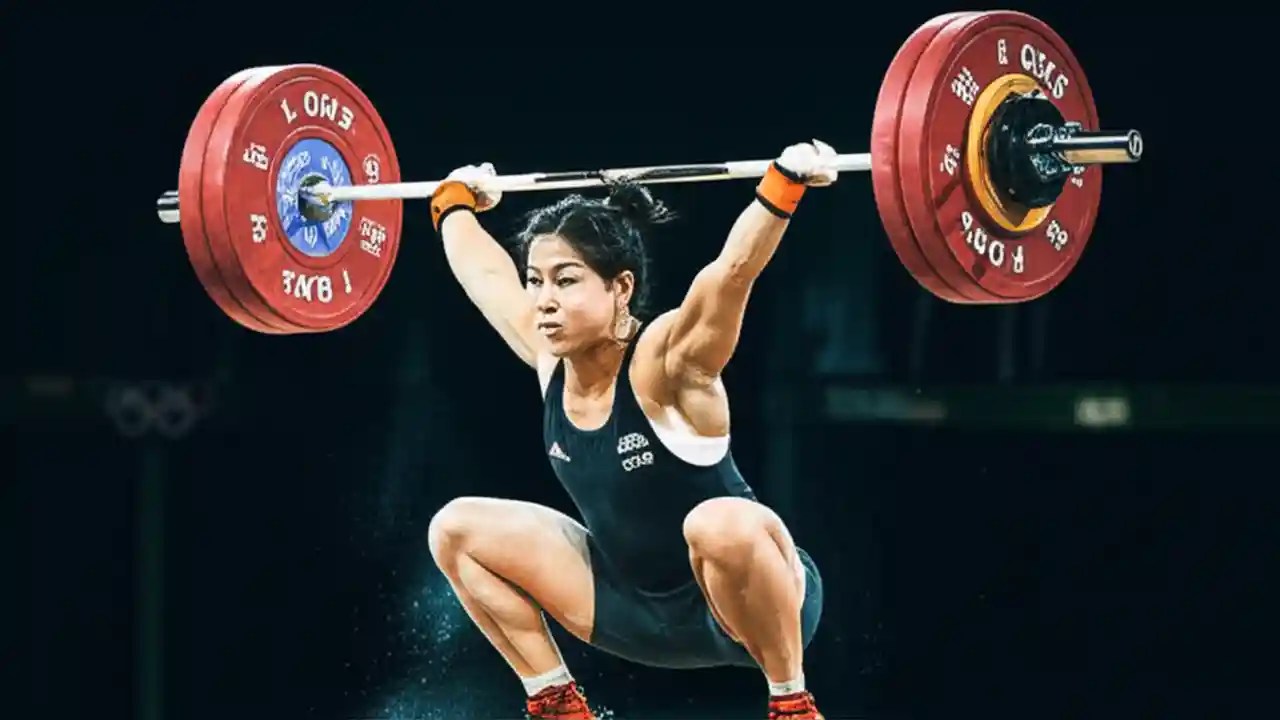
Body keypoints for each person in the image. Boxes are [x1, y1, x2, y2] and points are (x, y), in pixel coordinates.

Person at [425, 139, 840, 720]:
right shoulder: (550, 358)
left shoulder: (666, 362)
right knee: (455, 528)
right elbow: (484, 273)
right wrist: (453, 201)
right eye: (536, 280)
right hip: (632, 614)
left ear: (620, 288)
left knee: (719, 523)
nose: (544, 300)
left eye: (566, 280)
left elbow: (730, 276)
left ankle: (791, 701)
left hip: (750, 610)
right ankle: (557, 702)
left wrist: (782, 188)